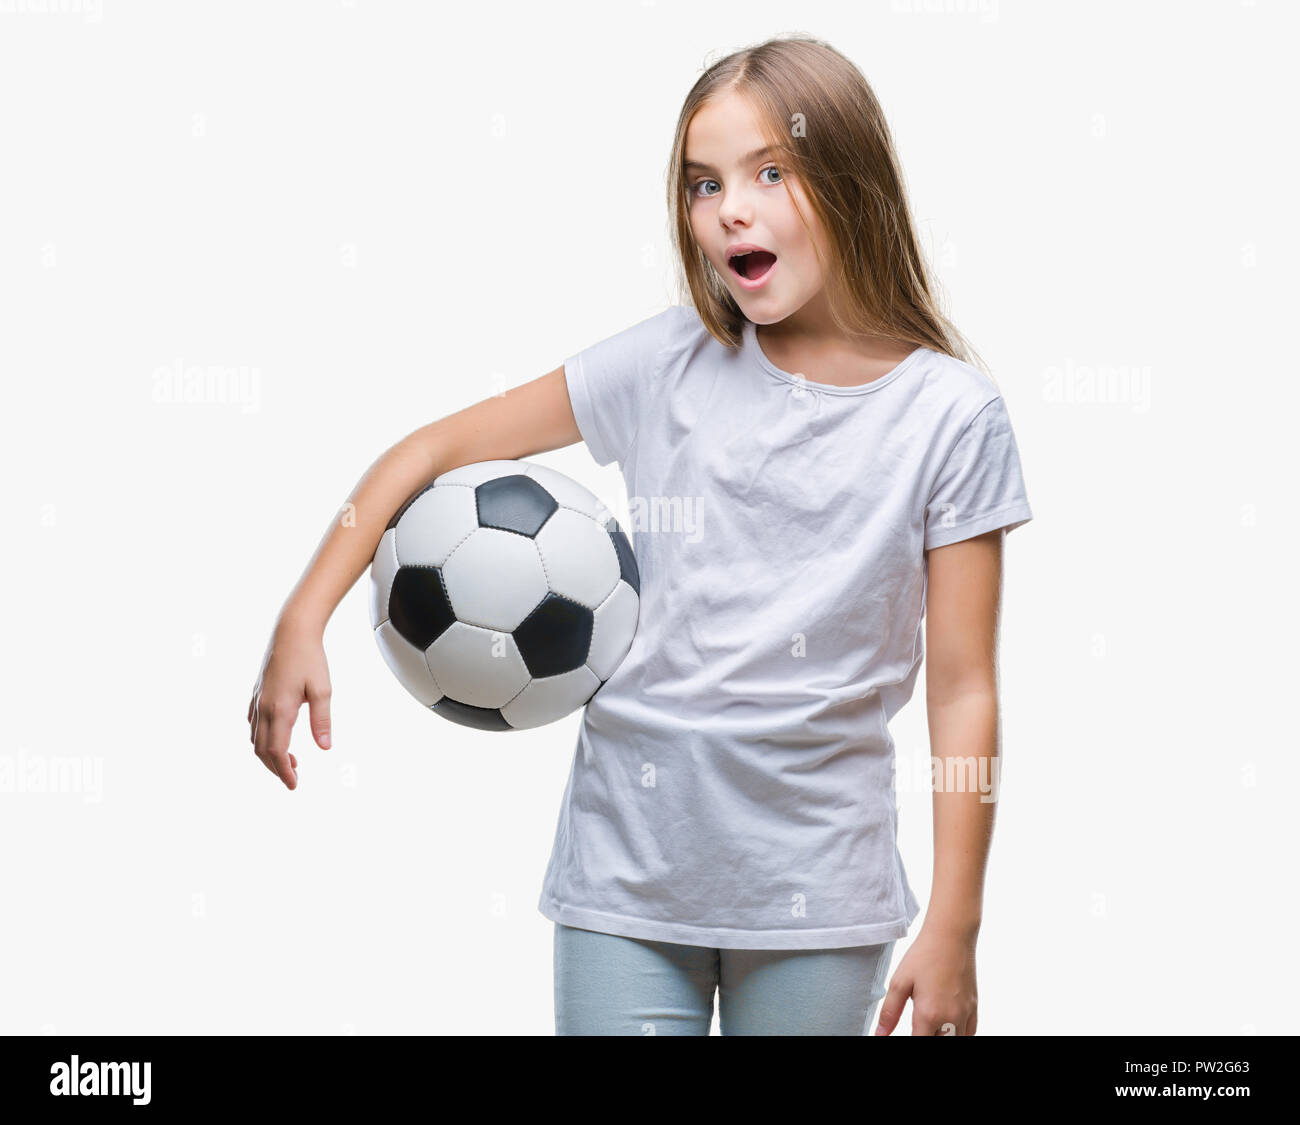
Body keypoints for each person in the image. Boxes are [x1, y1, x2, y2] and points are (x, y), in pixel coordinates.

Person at [247, 34, 1033, 1037]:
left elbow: (964, 689)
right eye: (703, 184)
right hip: (625, 880)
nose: (729, 209)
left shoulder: (950, 416)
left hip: (817, 898)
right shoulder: (667, 363)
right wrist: (302, 617)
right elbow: (432, 447)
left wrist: (956, 927)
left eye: (769, 172)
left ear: (850, 178)